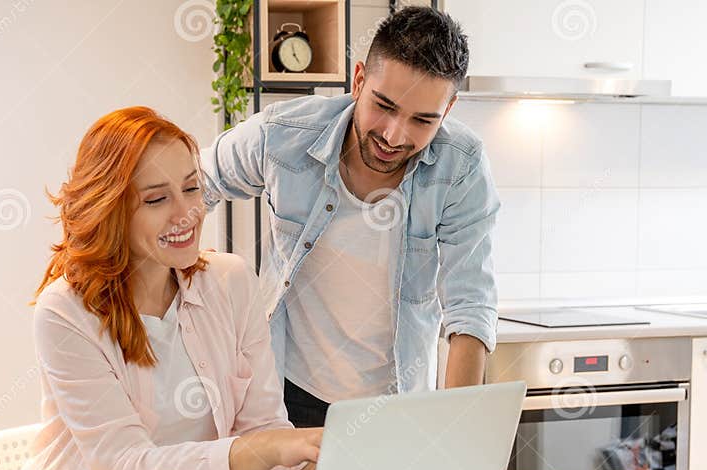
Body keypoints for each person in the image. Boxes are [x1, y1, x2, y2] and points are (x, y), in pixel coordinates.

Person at [0, 106, 321, 470]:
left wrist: (315, 467)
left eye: (192, 188)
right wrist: (268, 449)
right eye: (157, 199)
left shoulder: (230, 282)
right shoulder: (66, 313)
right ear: (112, 208)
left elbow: (262, 427)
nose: (186, 214)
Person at [200, 6, 500, 427]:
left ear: (447, 111)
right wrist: (182, 275)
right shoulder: (284, 136)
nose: (394, 136)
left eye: (422, 120)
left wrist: (457, 429)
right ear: (359, 80)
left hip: (399, 402)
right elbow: (196, 181)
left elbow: (470, 305)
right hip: (289, 392)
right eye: (384, 106)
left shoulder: (461, 167)